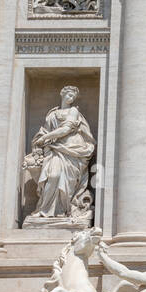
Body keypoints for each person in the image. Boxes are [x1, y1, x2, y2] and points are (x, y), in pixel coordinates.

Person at [24, 85, 95, 218]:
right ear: (62, 94)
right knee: (53, 176)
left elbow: (65, 129)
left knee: (66, 181)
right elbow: (45, 130)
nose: (71, 98)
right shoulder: (52, 114)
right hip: (55, 149)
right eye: (69, 95)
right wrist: (40, 139)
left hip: (73, 149)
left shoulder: (73, 111)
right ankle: (44, 209)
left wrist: (46, 137)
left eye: (73, 96)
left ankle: (63, 211)